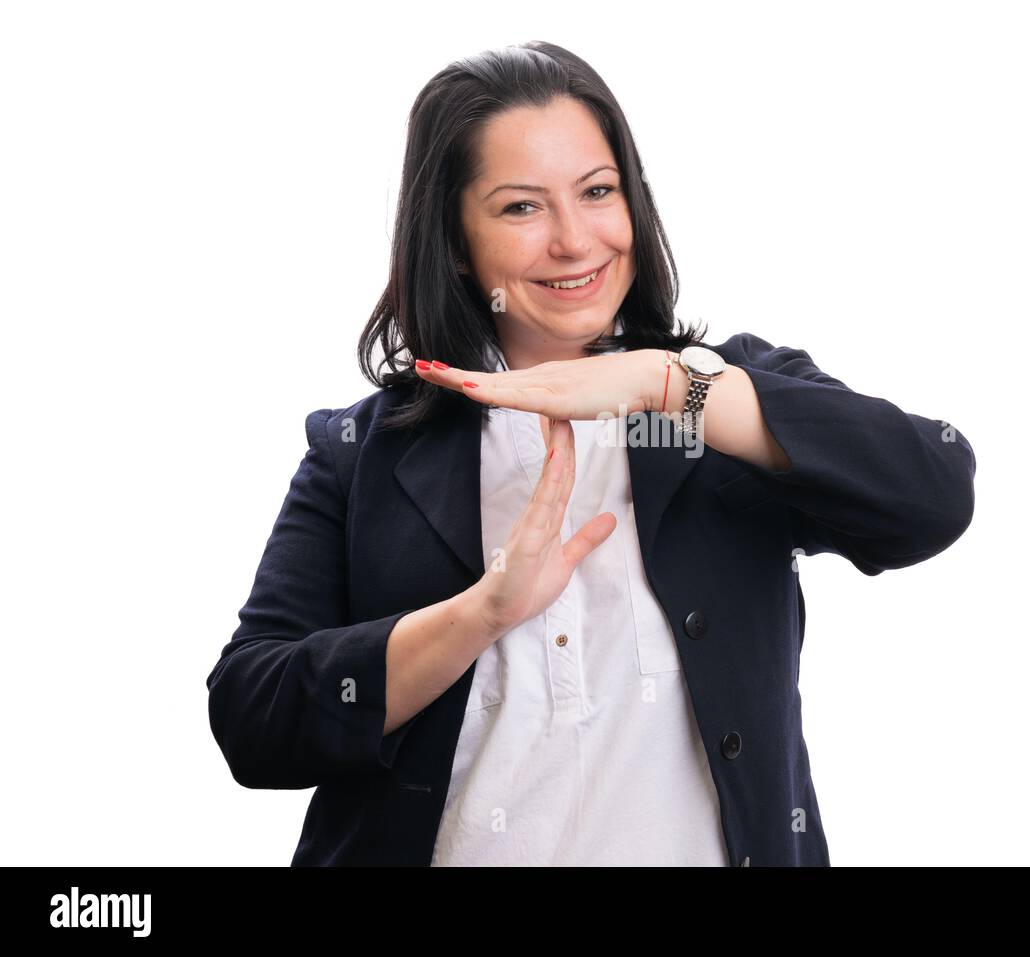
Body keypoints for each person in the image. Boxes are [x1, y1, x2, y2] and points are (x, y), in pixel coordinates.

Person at [206, 40, 977, 867]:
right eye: (521, 208)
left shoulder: (722, 405)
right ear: (457, 243)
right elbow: (252, 718)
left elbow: (933, 493)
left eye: (598, 192)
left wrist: (664, 386)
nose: (575, 241)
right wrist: (481, 614)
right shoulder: (362, 452)